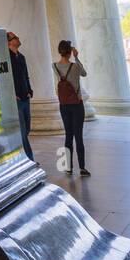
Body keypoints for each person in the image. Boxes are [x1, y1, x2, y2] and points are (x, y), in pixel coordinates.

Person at [54, 39, 90, 177]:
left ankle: (68, 167)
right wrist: (77, 57)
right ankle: (82, 168)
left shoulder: (54, 66)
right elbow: (84, 73)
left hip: (63, 105)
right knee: (78, 136)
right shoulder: (75, 67)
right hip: (76, 104)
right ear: (70, 52)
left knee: (68, 135)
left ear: (60, 51)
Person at [7, 32, 34, 160]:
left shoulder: (21, 57)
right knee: (22, 132)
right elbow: (5, 79)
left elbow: (26, 75)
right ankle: (29, 159)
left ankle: (19, 156)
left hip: (25, 97)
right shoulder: (6, 58)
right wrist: (12, 94)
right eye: (15, 38)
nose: (18, 39)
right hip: (16, 99)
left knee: (27, 129)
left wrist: (29, 91)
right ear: (9, 42)